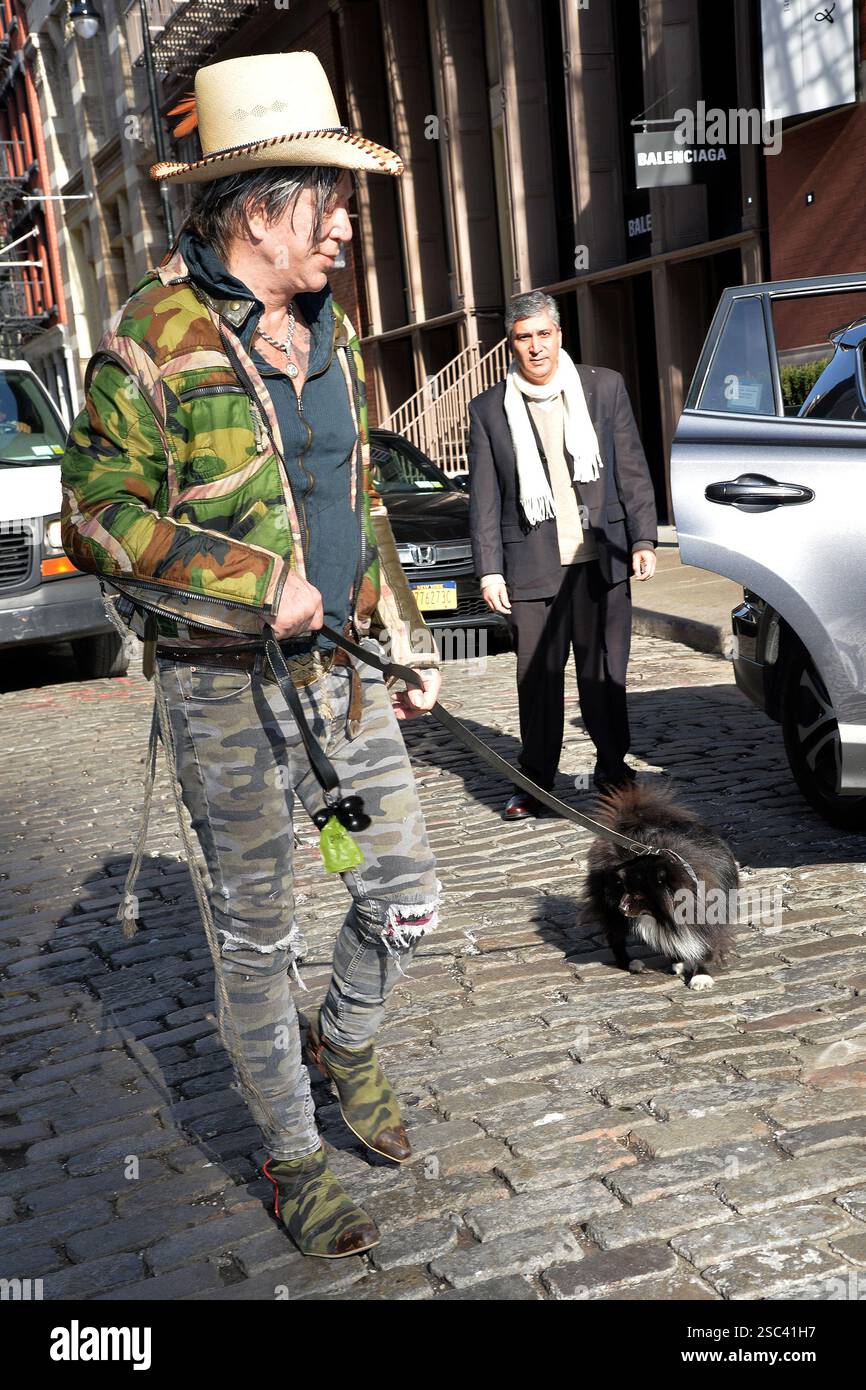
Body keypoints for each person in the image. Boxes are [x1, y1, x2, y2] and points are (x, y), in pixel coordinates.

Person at [61, 51, 442, 1260]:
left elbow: (357, 499)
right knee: (253, 937)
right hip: (223, 696)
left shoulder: (334, 331)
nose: (344, 223)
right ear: (258, 206)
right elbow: (96, 514)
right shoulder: (151, 339)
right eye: (325, 199)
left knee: (404, 896)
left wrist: (401, 639)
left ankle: (346, 1040)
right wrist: (246, 581)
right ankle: (289, 1156)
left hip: (341, 679)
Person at [468, 290, 657, 817]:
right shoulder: (488, 410)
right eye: (523, 338)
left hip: (601, 561)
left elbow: (631, 468)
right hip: (530, 567)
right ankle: (536, 783)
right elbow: (484, 496)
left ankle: (613, 772)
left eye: (543, 334)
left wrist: (643, 538)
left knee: (605, 676)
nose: (535, 347)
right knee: (538, 682)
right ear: (511, 345)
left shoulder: (604, 387)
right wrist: (489, 571)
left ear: (559, 335)